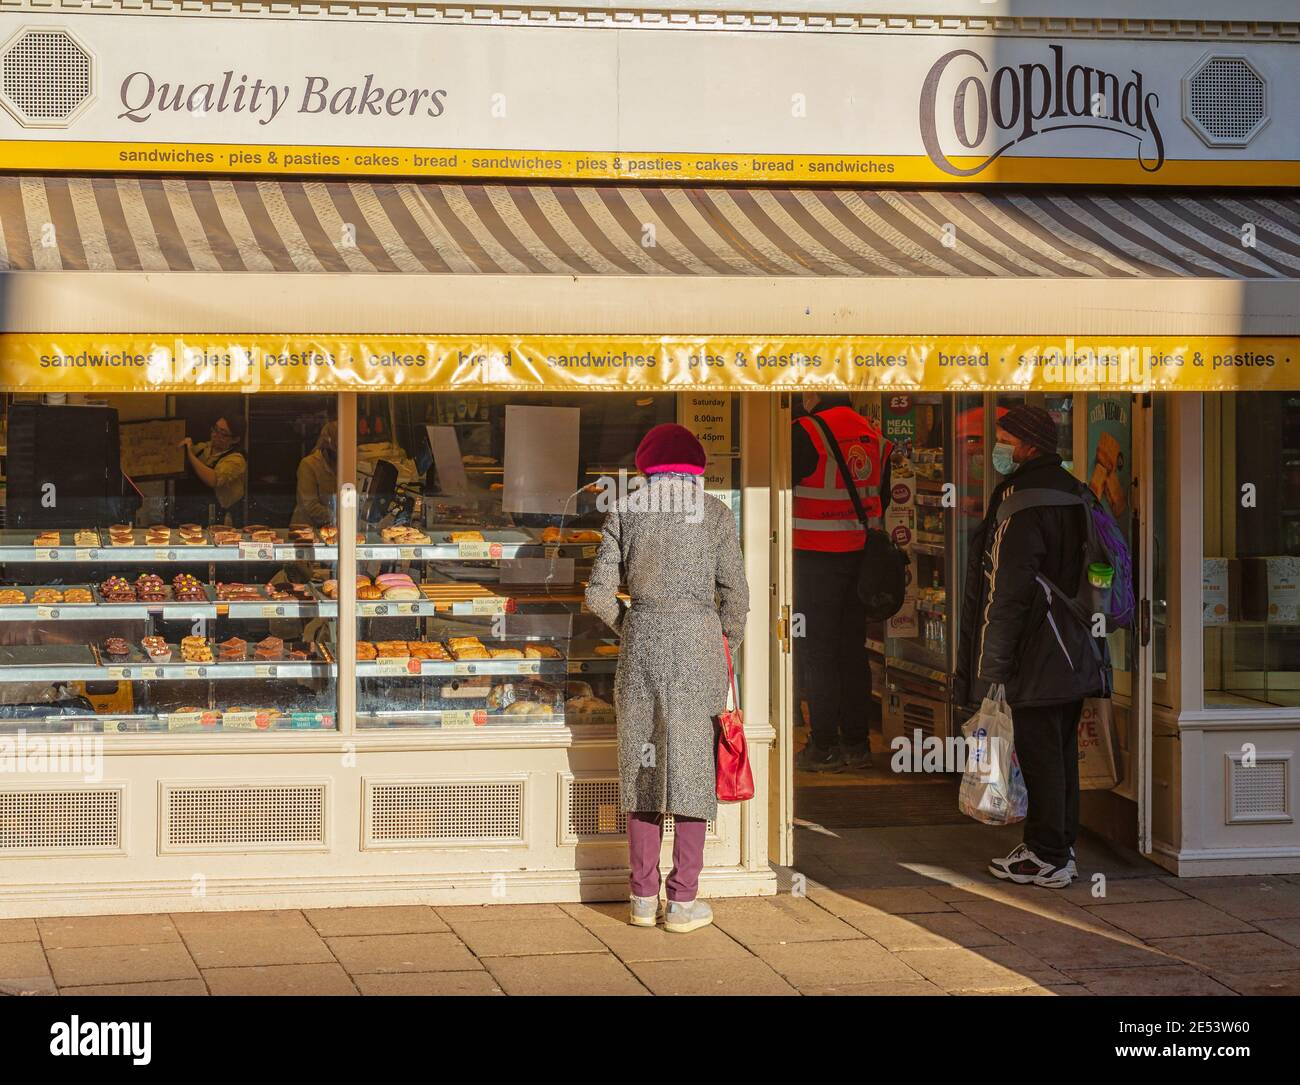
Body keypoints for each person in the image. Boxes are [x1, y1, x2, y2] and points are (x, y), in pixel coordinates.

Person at [585, 423, 749, 934]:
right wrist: (722, 642)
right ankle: (682, 903)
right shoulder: (717, 514)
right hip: (700, 647)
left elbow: (596, 593)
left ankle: (639, 898)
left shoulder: (625, 510)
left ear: (646, 466)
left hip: (642, 646)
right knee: (692, 770)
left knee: (643, 770)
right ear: (697, 467)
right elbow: (737, 598)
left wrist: (633, 624)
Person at [954, 404, 1109, 889]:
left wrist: (990, 666)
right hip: (1076, 647)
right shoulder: (1076, 491)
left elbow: (1007, 591)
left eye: (1003, 438)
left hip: (1039, 652)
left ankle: (1047, 854)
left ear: (1027, 444)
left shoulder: (1023, 501)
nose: (999, 448)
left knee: (1043, 753)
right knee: (1059, 752)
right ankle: (1060, 849)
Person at [791, 391, 891, 772]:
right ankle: (857, 743)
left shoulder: (805, 431)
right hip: (861, 558)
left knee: (819, 652)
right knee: (852, 651)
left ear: (815, 393)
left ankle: (824, 746)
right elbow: (879, 498)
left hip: (815, 556)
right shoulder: (875, 436)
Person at [177, 415, 247, 526]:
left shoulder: (236, 460)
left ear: (235, 439)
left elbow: (213, 480)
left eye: (222, 433)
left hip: (221, 515)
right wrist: (185, 446)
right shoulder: (204, 448)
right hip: (193, 510)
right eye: (215, 429)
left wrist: (190, 454)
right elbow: (179, 456)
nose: (215, 435)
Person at [291, 420, 339, 527]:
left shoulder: (346, 467)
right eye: (336, 450)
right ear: (326, 447)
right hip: (306, 529)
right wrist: (339, 516)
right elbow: (310, 506)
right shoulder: (308, 465)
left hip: (331, 529)